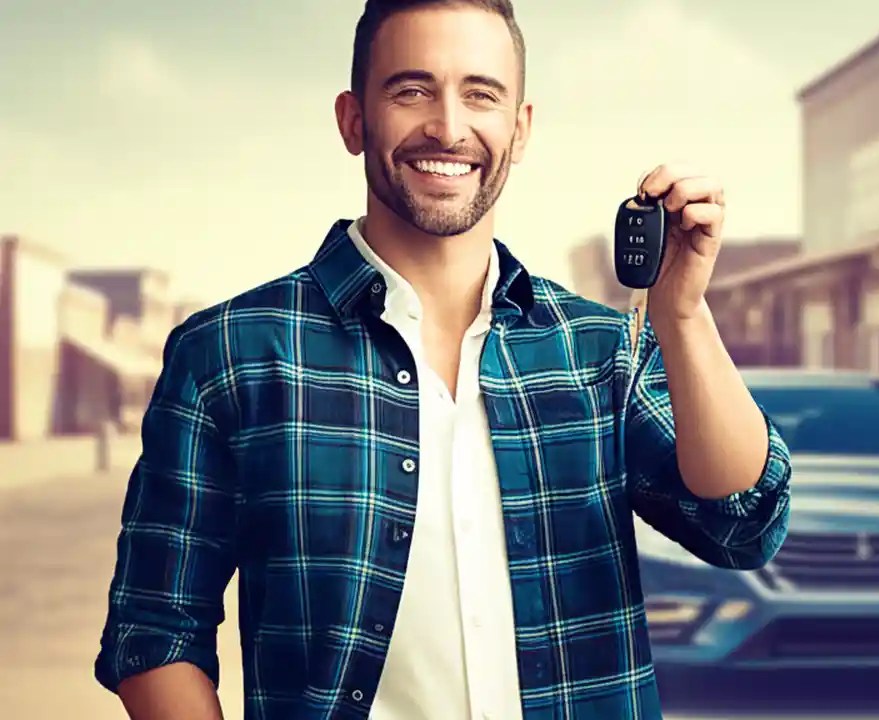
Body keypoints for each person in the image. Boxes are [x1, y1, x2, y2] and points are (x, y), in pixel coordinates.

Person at [92, 0, 792, 718]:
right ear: (353, 119)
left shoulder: (599, 351)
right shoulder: (229, 355)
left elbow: (739, 521)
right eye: (411, 89)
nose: (449, 127)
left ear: (519, 129)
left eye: (480, 94)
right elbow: (155, 632)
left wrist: (682, 313)